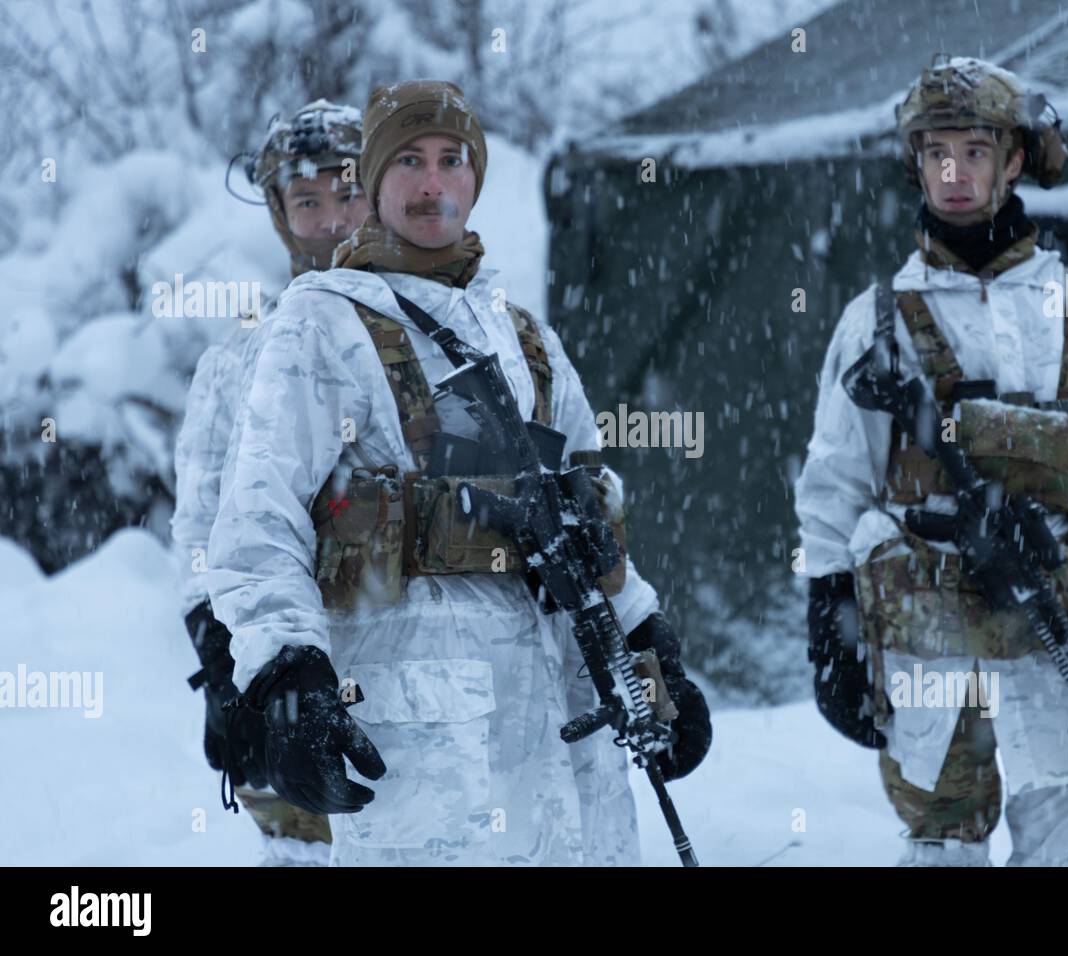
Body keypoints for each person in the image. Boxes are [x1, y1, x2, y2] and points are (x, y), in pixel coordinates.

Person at [206, 80, 711, 866]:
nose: (433, 183)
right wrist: (287, 671)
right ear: (371, 183)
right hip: (430, 745)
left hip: (567, 726)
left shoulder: (524, 334)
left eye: (452, 160)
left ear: (476, 179)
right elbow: (258, 515)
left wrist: (649, 638)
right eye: (408, 160)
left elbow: (588, 509)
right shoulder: (323, 320)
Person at [795, 56, 1068, 866]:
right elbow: (833, 486)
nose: (953, 173)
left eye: (974, 151)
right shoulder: (875, 323)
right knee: (941, 847)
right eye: (935, 152)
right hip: (931, 643)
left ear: (1013, 160)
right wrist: (831, 624)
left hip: (1064, 625)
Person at [173, 99, 369, 865]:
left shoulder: (441, 327)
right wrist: (226, 669)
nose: (332, 220)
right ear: (282, 215)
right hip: (286, 680)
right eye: (308, 201)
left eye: (348, 193)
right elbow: (199, 522)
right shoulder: (238, 357)